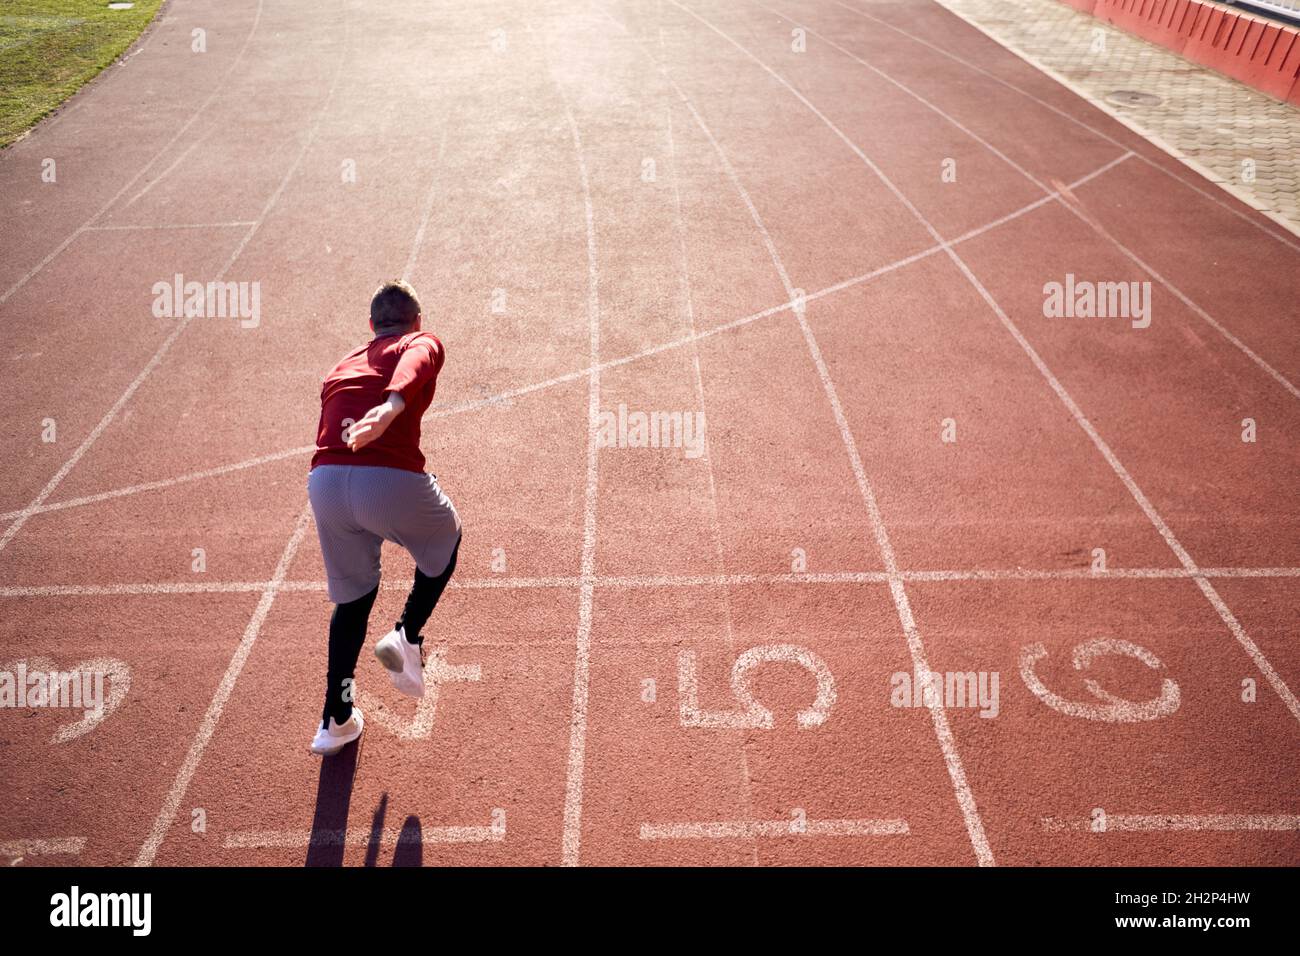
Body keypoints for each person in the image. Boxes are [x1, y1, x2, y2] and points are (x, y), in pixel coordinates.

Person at [306, 279, 462, 756]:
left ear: (371, 325)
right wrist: (393, 405)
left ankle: (336, 716)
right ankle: (407, 635)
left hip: (326, 483)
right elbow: (417, 362)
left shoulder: (340, 365)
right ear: (416, 321)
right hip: (387, 480)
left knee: (352, 601)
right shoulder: (421, 341)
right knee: (446, 539)